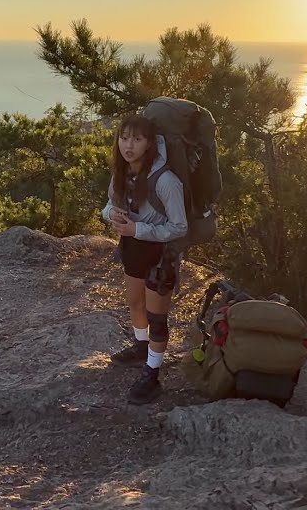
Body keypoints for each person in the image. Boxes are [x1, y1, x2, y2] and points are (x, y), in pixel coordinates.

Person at [101, 114, 188, 404]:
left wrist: (138, 228)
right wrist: (111, 214)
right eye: (124, 138)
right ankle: (141, 347)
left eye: (137, 139)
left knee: (157, 317)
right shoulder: (121, 174)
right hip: (133, 248)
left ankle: (152, 374)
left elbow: (179, 226)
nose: (129, 145)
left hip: (162, 254)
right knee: (135, 303)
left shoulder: (166, 181)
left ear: (150, 144)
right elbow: (109, 205)